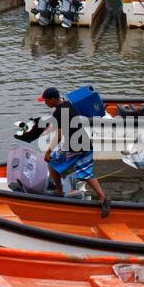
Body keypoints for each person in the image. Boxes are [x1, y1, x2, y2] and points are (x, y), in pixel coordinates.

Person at [39, 86, 110, 216]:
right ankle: (103, 198)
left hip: (75, 148)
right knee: (86, 174)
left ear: (54, 99)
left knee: (52, 162)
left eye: (47, 100)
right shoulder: (67, 104)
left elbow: (59, 133)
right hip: (86, 144)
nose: (45, 103)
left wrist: (48, 151)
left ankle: (59, 191)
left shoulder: (59, 112)